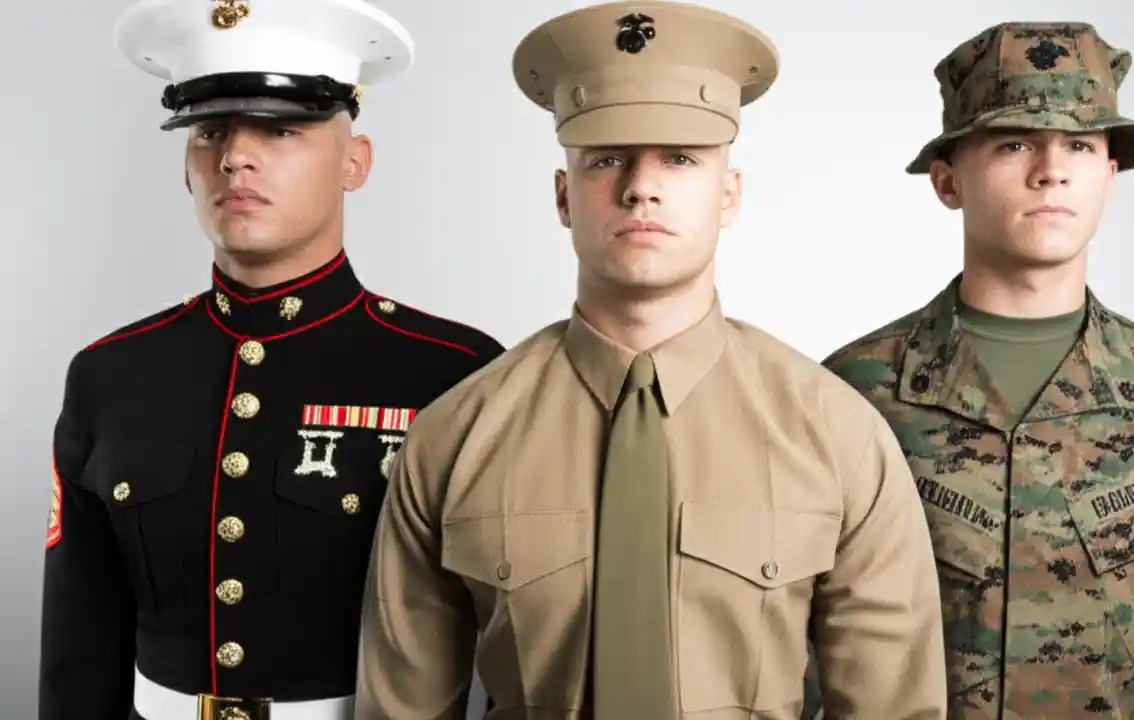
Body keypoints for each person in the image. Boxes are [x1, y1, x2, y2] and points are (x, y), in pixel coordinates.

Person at [352, 2, 947, 718]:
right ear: (563, 196)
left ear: (729, 194)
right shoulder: (456, 436)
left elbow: (893, 708)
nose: (641, 186)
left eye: (680, 158)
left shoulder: (838, 435)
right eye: (606, 158)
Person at [38, 1, 504, 718]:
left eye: (281, 130)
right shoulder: (110, 374)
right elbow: (80, 642)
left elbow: (513, 637)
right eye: (210, 132)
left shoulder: (455, 373)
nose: (235, 157)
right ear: (187, 167)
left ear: (355, 162)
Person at [821, 21, 1134, 718]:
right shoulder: (850, 397)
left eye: (1081, 145)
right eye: (1014, 142)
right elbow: (790, 661)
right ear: (947, 180)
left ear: (1108, 177)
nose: (1051, 169)